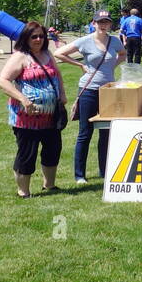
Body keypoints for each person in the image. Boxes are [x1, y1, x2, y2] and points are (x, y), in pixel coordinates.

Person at [0, 21, 66, 198]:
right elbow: (3, 81)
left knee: (53, 150)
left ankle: (49, 185)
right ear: (26, 38)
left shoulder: (47, 54)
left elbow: (57, 74)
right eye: (33, 36)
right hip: (26, 117)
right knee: (27, 154)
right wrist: (23, 99)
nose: (38, 39)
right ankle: (23, 191)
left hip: (51, 117)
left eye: (41, 36)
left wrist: (62, 95)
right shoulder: (19, 57)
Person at [54, 10, 124, 185]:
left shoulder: (114, 41)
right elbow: (59, 53)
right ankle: (80, 175)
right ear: (93, 23)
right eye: (100, 22)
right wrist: (79, 64)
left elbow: (123, 54)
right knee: (85, 133)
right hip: (89, 90)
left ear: (110, 24)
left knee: (107, 132)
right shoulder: (85, 41)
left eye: (106, 22)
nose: (103, 25)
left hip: (108, 91)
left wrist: (112, 66)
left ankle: (104, 170)